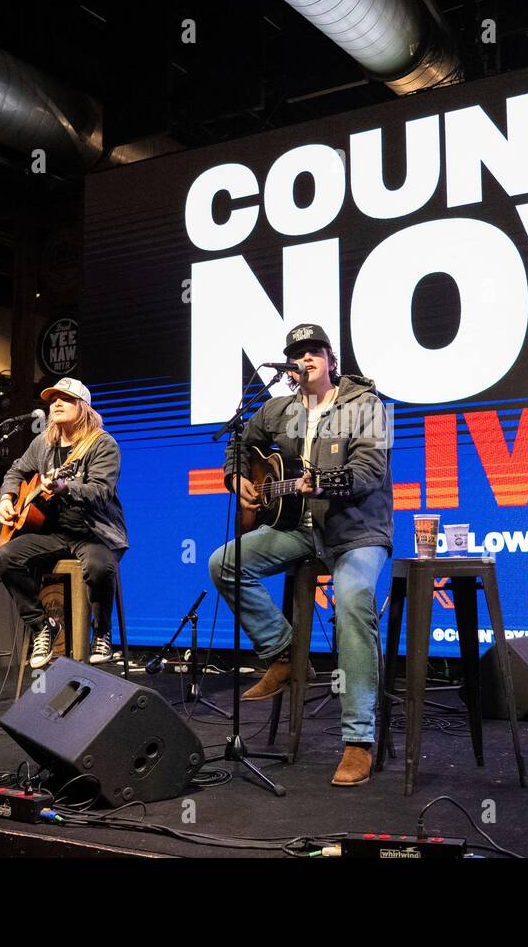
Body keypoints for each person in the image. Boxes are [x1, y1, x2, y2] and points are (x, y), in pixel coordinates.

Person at [207, 323, 392, 787]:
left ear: (331, 360)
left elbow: (370, 470)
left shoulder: (364, 406)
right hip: (297, 529)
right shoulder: (278, 410)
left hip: (356, 533)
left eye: (314, 352)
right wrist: (238, 478)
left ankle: (358, 741)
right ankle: (286, 652)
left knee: (352, 605)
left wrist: (325, 482)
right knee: (223, 563)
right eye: (297, 354)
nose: (305, 360)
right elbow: (239, 443)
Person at [0, 378, 128, 669]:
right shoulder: (43, 443)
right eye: (52, 399)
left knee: (98, 566)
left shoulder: (102, 445)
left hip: (93, 533)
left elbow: (101, 493)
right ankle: (42, 625)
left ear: (83, 407)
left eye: (65, 398)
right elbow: (16, 471)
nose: (55, 403)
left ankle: (102, 633)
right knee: (6, 556)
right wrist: (7, 499)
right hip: (54, 533)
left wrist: (66, 488)